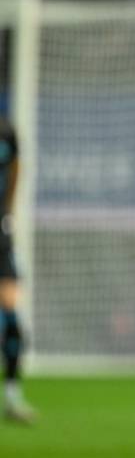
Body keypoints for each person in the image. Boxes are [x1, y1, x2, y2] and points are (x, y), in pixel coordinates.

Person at [0, 117, 31, 423]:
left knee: (11, 310)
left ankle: (12, 395)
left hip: (1, 235)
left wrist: (8, 211)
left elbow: (16, 168)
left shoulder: (7, 130)